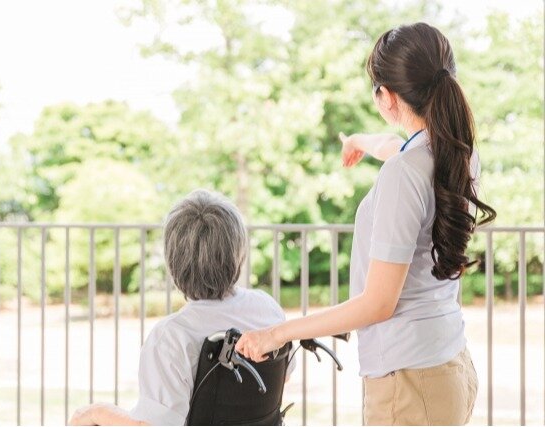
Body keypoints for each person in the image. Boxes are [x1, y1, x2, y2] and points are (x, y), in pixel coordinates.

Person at [235, 22, 496, 426]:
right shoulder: (458, 153)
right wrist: (357, 140)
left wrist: (276, 333)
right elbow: (394, 148)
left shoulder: (403, 174)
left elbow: (377, 303)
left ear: (385, 97)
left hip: (409, 385)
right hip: (448, 366)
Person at [69, 189, 294, 426]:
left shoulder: (171, 336)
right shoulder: (268, 309)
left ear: (173, 260)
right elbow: (282, 377)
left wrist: (96, 412)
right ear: (239, 253)